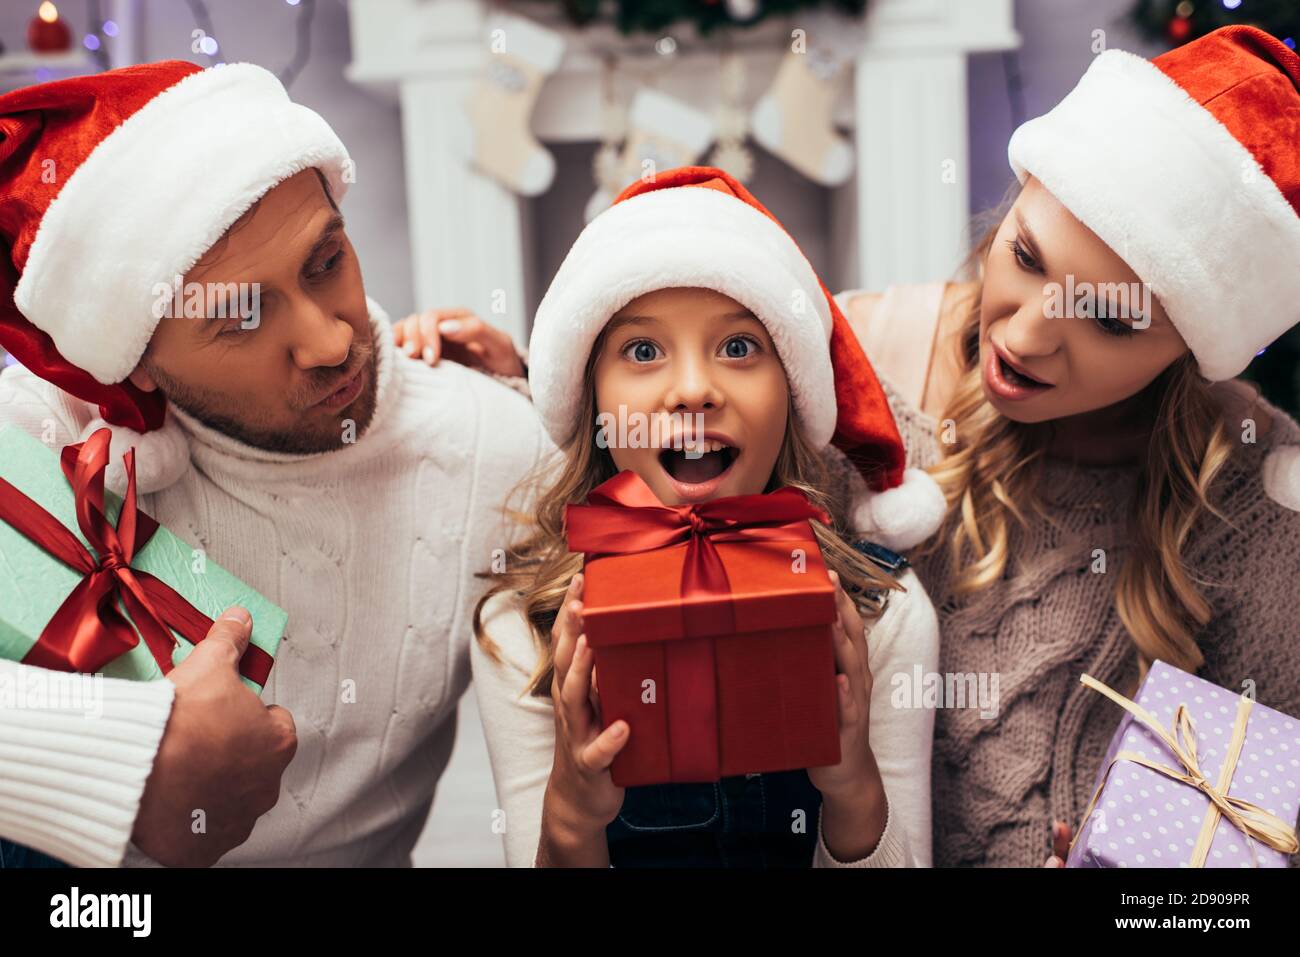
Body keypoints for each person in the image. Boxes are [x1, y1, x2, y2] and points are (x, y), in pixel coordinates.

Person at [0, 59, 547, 866]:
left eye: (326, 263)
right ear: (134, 361)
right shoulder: (52, 446)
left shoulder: (493, 446)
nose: (332, 342)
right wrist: (118, 756)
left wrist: (552, 389)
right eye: (239, 318)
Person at [833, 25, 1300, 867]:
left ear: (1190, 351)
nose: (1025, 335)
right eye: (1025, 255)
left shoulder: (1261, 503)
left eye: (1113, 320)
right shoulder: (869, 364)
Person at [450, 167, 944, 867]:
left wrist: (853, 788)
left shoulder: (881, 615)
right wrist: (571, 819)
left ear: (793, 391)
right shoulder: (522, 632)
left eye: (739, 347)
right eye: (643, 350)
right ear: (594, 400)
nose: (692, 389)